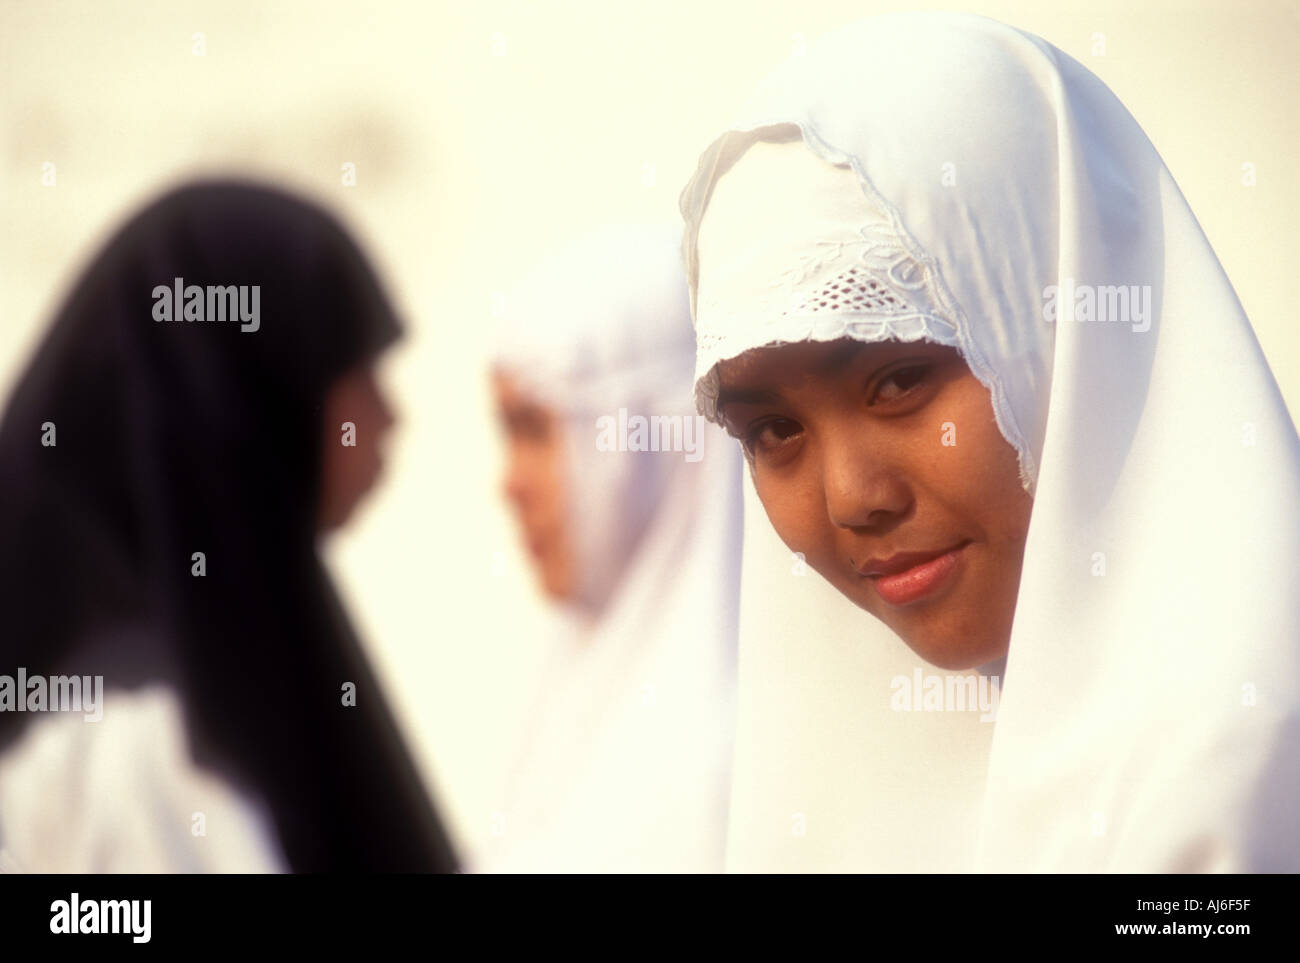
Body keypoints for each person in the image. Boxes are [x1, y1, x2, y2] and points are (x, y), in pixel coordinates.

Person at [676, 12, 1300, 871]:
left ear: (1066, 333)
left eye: (898, 379)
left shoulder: (1237, 786)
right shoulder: (830, 772)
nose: (852, 497)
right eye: (774, 431)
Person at [0, 181, 458, 872]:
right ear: (253, 389)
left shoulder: (222, 664)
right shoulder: (129, 742)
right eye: (355, 369)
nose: (389, 415)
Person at [479, 223, 742, 873]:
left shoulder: (731, 763)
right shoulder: (586, 685)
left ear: (654, 431)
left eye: (535, 428)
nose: (509, 484)